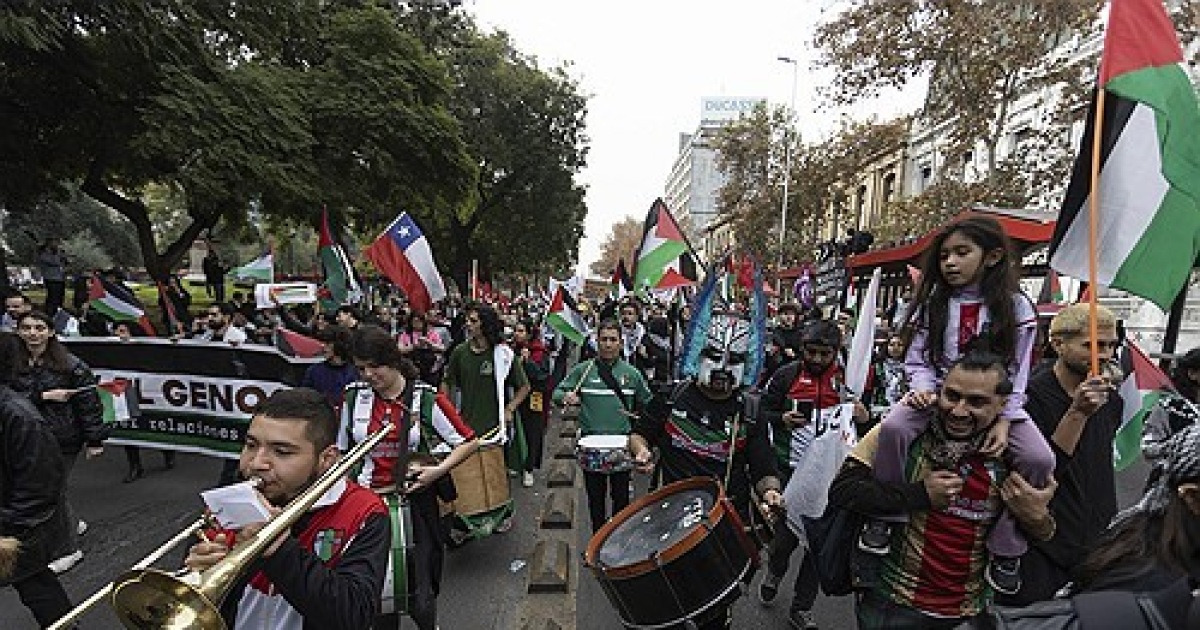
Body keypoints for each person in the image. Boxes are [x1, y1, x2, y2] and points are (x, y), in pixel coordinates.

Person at [863, 216, 1052, 596]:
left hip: (997, 405)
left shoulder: (1016, 308)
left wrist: (1005, 418)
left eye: (962, 253)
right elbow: (916, 359)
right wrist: (921, 390)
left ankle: (1006, 549)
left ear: (994, 256)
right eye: (945, 254)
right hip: (935, 396)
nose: (950, 262)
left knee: (1039, 459)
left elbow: (1018, 369)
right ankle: (884, 516)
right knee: (895, 430)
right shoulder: (933, 305)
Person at [829, 350, 1057, 629]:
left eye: (976, 402)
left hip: (969, 613)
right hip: (891, 603)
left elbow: (1047, 531)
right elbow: (843, 490)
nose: (959, 411)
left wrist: (1035, 518)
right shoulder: (902, 432)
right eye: (952, 396)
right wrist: (919, 495)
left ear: (1003, 405)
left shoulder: (1020, 456)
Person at [627, 310, 785, 630]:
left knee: (713, 612)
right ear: (698, 353)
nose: (724, 367)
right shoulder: (671, 397)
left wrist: (771, 494)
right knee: (668, 607)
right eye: (714, 355)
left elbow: (764, 467)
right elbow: (640, 433)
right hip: (668, 524)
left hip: (723, 529)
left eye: (734, 359)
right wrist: (642, 451)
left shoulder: (751, 413)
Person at [184, 388, 390, 630]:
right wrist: (195, 576)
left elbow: (354, 616)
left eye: (281, 452)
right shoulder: (230, 500)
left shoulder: (364, 511)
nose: (257, 463)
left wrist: (280, 552)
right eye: (251, 445)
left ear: (326, 459)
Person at [341, 326, 478, 630]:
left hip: (415, 504)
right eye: (361, 368)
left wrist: (436, 472)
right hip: (366, 504)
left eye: (374, 366)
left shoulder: (426, 398)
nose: (368, 375)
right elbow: (340, 451)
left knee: (421, 591)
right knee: (376, 588)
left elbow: (469, 441)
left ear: (392, 359)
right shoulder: (354, 398)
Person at [996, 303, 1124, 606]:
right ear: (1058, 344)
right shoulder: (1027, 398)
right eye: (1092, 345)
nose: (1103, 355)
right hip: (1041, 545)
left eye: (1110, 346)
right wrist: (1076, 414)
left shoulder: (1112, 400)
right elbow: (1036, 475)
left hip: (1094, 545)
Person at [757, 319, 869, 629]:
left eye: (825, 354)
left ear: (836, 351)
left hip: (832, 478)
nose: (817, 359)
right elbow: (759, 411)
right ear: (802, 348)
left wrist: (864, 415)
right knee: (784, 540)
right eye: (812, 352)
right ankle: (775, 570)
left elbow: (871, 425)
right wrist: (781, 418)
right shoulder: (786, 375)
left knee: (817, 547)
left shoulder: (850, 380)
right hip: (791, 471)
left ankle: (801, 607)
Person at [12, 310, 107, 575]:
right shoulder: (11, 363)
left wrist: (94, 439)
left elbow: (89, 403)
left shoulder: (71, 364)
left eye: (39, 328)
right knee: (50, 490)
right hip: (25, 437)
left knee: (52, 491)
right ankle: (70, 523)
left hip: (61, 439)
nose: (33, 333)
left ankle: (68, 549)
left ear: (51, 332)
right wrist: (43, 395)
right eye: (27, 328)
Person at [0, 332, 74, 629]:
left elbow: (39, 485)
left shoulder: (20, 417)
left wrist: (9, 527)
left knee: (37, 588)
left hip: (17, 527)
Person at [440, 303, 530, 536]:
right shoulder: (459, 352)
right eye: (467, 321)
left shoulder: (503, 355)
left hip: (495, 425)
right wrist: (446, 411)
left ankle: (504, 513)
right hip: (465, 425)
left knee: (496, 472)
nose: (468, 325)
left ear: (486, 324)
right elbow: (448, 382)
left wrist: (510, 409)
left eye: (474, 321)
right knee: (469, 474)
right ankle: (470, 516)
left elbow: (524, 387)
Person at [554, 320, 653, 532]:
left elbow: (649, 404)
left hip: (622, 447)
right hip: (591, 448)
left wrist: (639, 421)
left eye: (613, 340)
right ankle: (597, 541)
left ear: (620, 343)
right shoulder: (583, 370)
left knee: (621, 500)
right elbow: (557, 394)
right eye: (603, 340)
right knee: (595, 500)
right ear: (596, 342)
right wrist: (567, 397)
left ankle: (617, 544)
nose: (608, 344)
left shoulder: (632, 374)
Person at [110, 322, 174, 483]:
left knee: (154, 426)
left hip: (147, 395)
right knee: (129, 429)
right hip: (127, 394)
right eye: (116, 331)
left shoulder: (146, 350)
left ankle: (167, 451)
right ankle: (135, 466)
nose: (118, 334)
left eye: (123, 331)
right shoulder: (111, 350)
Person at [1142, 346, 1200, 472]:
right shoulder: (1169, 408)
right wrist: (1185, 444)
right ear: (1193, 374)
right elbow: (1148, 448)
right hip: (1176, 484)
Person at [513, 318, 550, 488]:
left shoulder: (540, 352)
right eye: (516, 330)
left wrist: (528, 363)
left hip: (535, 397)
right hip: (514, 397)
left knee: (533, 431)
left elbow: (543, 376)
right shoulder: (512, 350)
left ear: (528, 334)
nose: (517, 334)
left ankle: (529, 468)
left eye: (521, 331)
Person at [301, 326, 359, 410]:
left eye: (327, 343)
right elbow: (305, 399)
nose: (322, 346)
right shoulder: (313, 371)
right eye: (322, 342)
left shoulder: (355, 372)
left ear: (339, 344)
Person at [397, 311, 447, 386]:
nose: (417, 324)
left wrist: (429, 344)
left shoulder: (431, 333)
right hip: (411, 369)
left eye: (419, 321)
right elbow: (400, 349)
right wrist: (413, 346)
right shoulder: (405, 334)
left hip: (430, 370)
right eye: (414, 321)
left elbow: (442, 348)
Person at [36, 239, 67, 316]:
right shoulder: (44, 255)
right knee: (52, 299)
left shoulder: (55, 254)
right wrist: (58, 254)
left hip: (59, 279)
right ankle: (50, 314)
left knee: (59, 298)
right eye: (54, 244)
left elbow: (64, 261)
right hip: (51, 280)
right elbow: (55, 262)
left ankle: (58, 313)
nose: (56, 246)